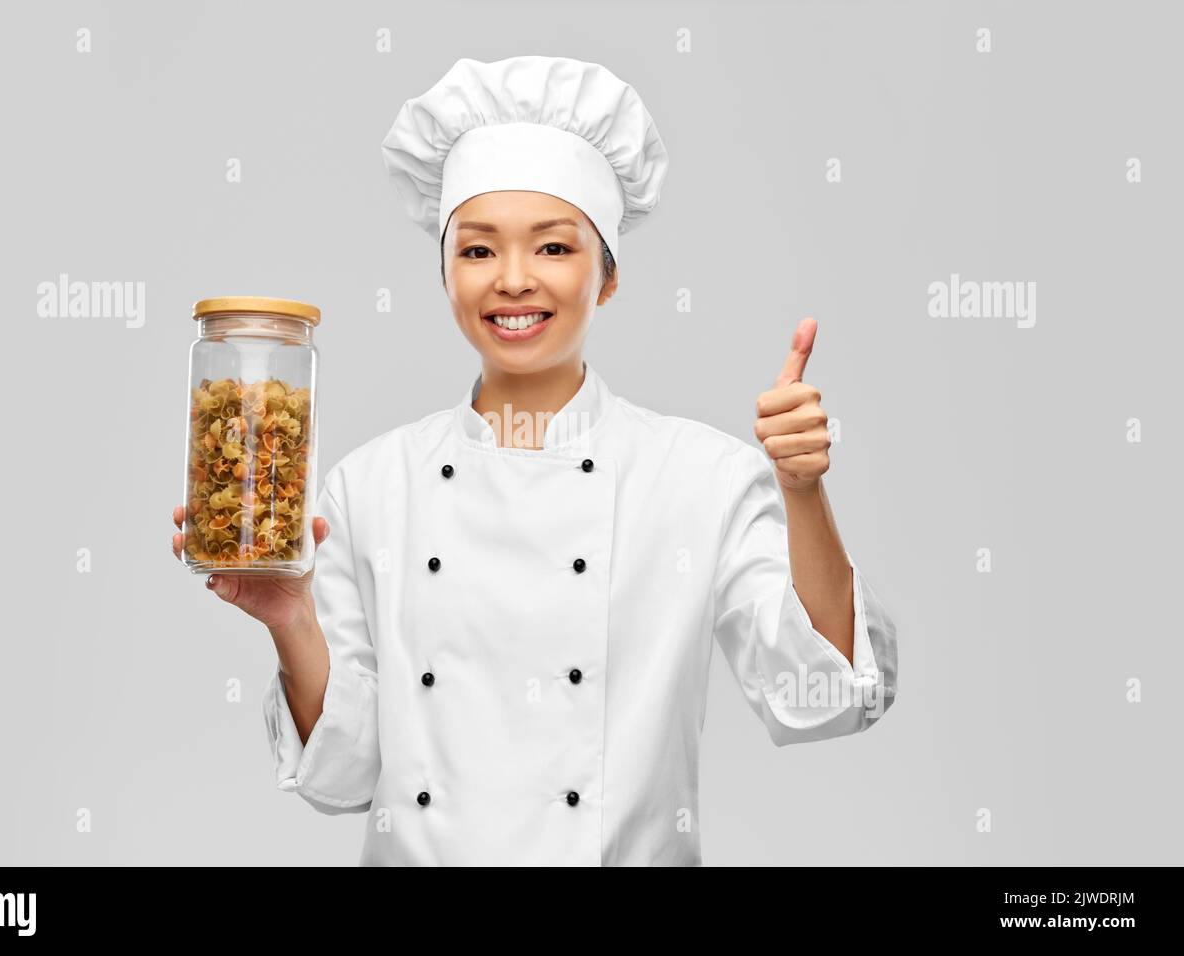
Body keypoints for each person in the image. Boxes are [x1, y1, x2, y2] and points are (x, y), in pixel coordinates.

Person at [170, 55, 898, 866]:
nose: (513, 281)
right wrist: (291, 618)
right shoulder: (369, 487)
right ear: (444, 271)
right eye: (478, 252)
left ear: (608, 276)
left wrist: (801, 491)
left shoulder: (701, 479)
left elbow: (830, 699)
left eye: (553, 247)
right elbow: (341, 782)